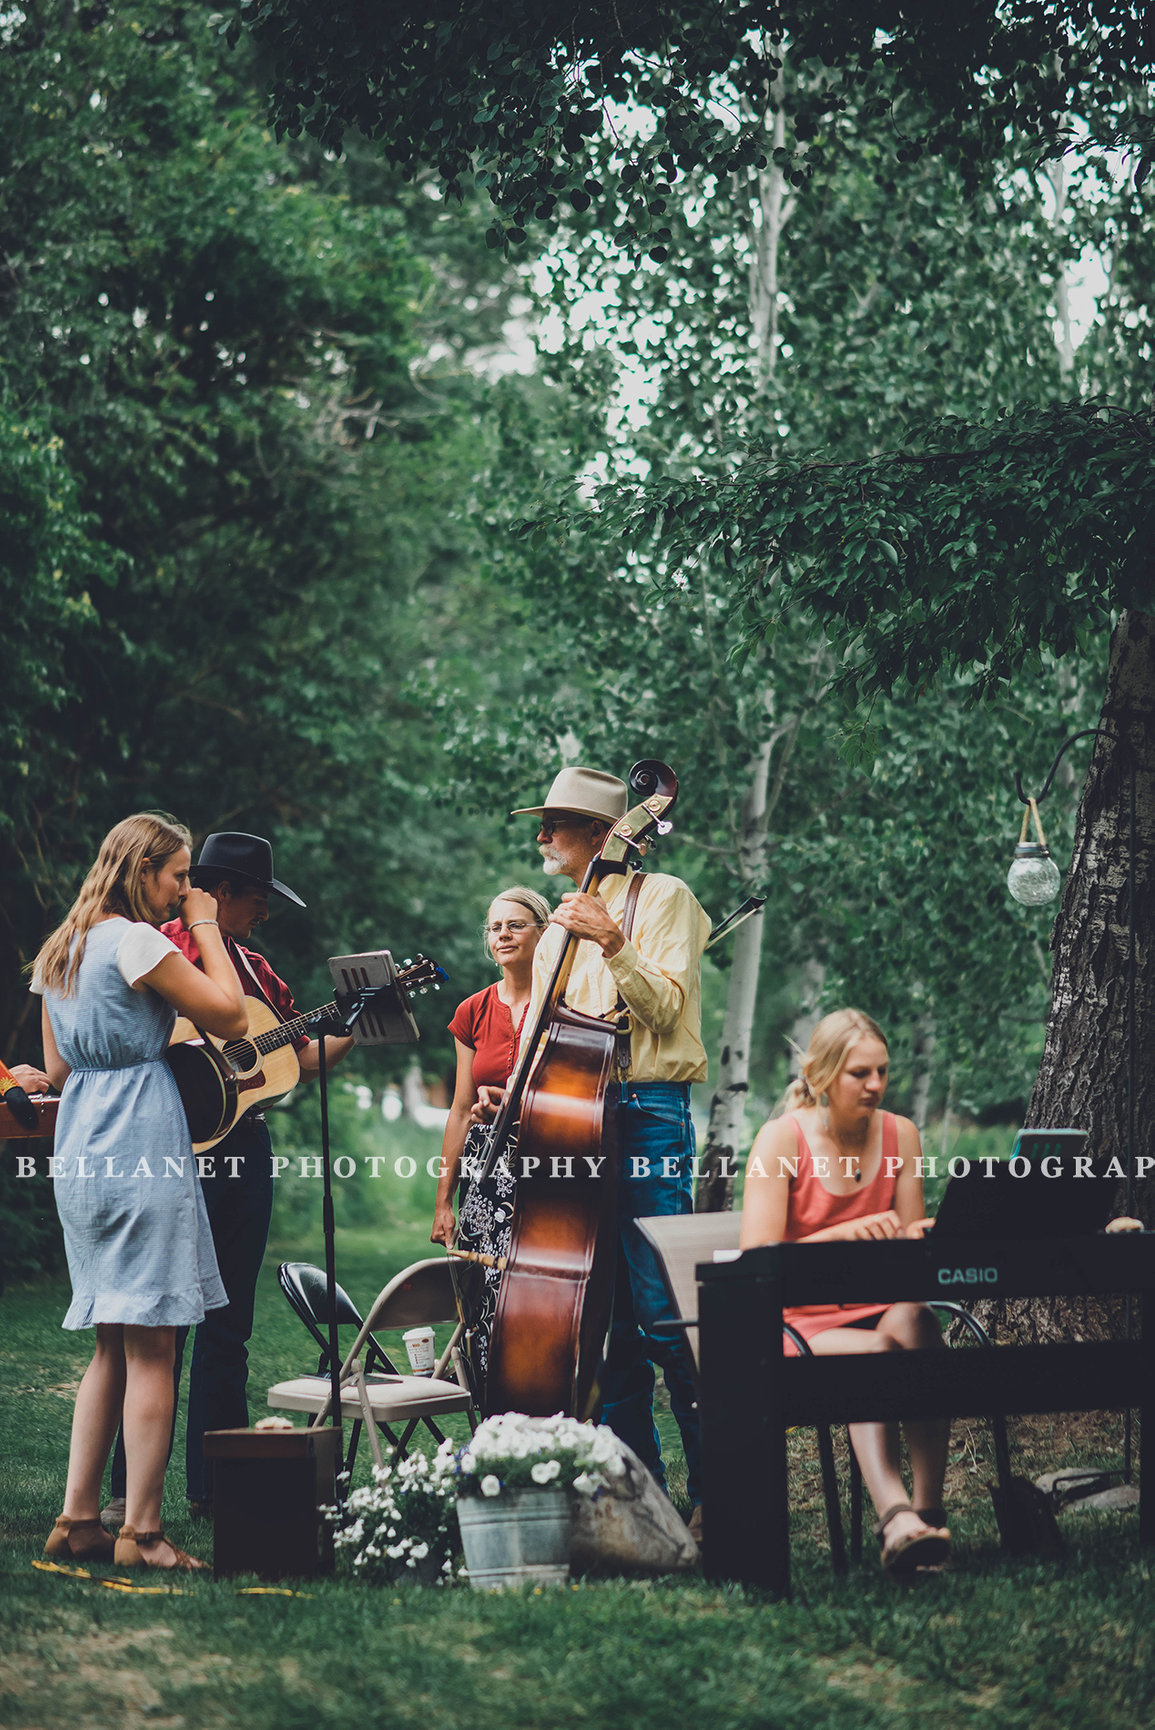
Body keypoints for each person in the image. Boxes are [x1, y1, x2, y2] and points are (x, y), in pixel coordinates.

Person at [104, 830, 355, 1527]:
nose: (264, 913)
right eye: (257, 898)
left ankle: (214, 1486)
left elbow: (299, 1057)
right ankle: (130, 1490)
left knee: (229, 1323)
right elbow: (158, 1039)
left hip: (246, 1148)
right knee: (163, 1326)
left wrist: (352, 1023)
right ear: (220, 893)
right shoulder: (163, 948)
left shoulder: (258, 965)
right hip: (178, 1147)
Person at [495, 766, 710, 1532]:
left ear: (600, 833)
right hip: (568, 1118)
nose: (541, 836)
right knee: (604, 1319)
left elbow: (666, 1009)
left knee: (663, 1311)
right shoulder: (555, 924)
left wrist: (613, 942)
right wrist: (512, 1095)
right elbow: (539, 1034)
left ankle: (720, 1491)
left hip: (646, 1108)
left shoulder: (667, 898)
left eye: (554, 824)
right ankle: (642, 1501)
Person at [32, 813, 248, 1570]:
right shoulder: (139, 941)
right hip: (140, 1141)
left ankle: (77, 1519)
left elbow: (57, 1073)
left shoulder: (62, 946)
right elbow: (230, 1012)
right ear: (143, 869)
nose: (185, 889)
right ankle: (143, 1533)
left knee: (109, 1347)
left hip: (81, 1147)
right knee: (155, 1344)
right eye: (178, 875)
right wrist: (208, 927)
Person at [739, 1008, 952, 1573]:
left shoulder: (901, 1134)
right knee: (877, 1355)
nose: (877, 1085)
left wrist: (923, 1236)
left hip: (877, 1307)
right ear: (824, 1074)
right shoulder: (779, 1140)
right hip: (797, 1323)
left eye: (882, 1071)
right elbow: (756, 1259)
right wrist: (840, 1235)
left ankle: (929, 1512)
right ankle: (895, 1519)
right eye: (861, 1073)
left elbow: (908, 1249)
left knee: (918, 1320)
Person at [430, 885, 551, 1249]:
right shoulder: (471, 1010)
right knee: (480, 1289)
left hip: (550, 1159)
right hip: (483, 1163)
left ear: (543, 933)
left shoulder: (566, 1005)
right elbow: (460, 1110)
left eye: (515, 925)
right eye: (495, 927)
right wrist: (442, 1204)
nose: (503, 934)